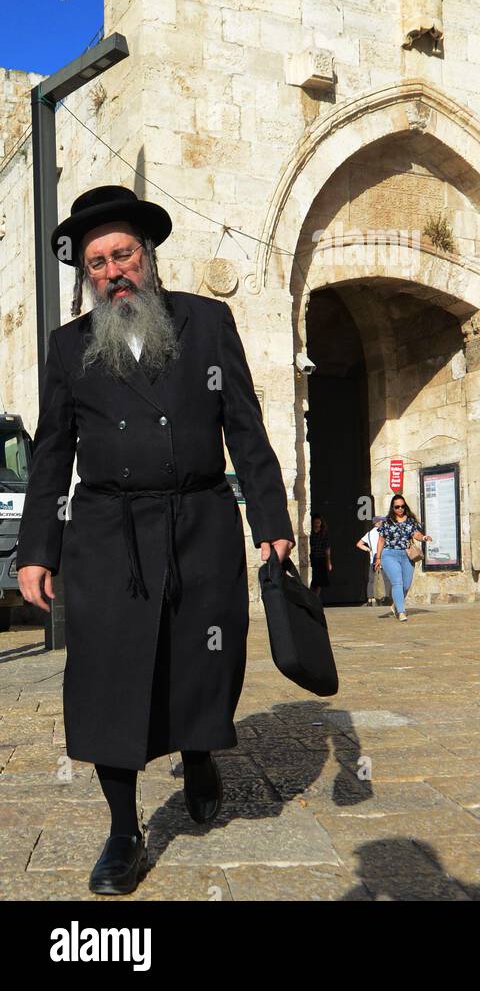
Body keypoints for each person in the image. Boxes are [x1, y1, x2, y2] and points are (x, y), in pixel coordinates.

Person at [15, 185, 295, 896]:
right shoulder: (68, 348)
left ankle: (199, 750)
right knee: (108, 675)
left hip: (199, 520)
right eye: (98, 261)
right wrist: (37, 549)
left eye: (124, 254)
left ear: (148, 256)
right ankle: (121, 828)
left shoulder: (207, 324)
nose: (113, 270)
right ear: (88, 274)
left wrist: (272, 525)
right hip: (109, 536)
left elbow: (247, 428)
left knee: (204, 657)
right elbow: (50, 452)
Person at [374, 495, 430, 621]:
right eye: (397, 507)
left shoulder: (410, 521)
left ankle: (395, 605)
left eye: (402, 506)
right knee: (397, 582)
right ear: (392, 508)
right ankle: (401, 612)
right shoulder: (387, 522)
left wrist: (424, 538)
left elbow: (416, 534)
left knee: (406, 585)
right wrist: (378, 558)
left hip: (407, 555)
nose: (400, 509)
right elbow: (381, 540)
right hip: (389, 555)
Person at [356, 516, 384, 605]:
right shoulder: (382, 532)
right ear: (378, 522)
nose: (383, 523)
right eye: (382, 521)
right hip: (382, 558)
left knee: (371, 580)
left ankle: (370, 598)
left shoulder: (368, 534)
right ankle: (384, 597)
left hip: (373, 559)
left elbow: (359, 544)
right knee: (385, 578)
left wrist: (368, 549)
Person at [309, 511, 332, 596]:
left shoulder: (324, 533)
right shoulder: (310, 533)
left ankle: (316, 597)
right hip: (313, 558)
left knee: (320, 581)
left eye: (319, 522)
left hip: (321, 558)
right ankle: (311, 596)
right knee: (313, 579)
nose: (317, 524)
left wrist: (328, 562)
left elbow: (327, 548)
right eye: (315, 522)